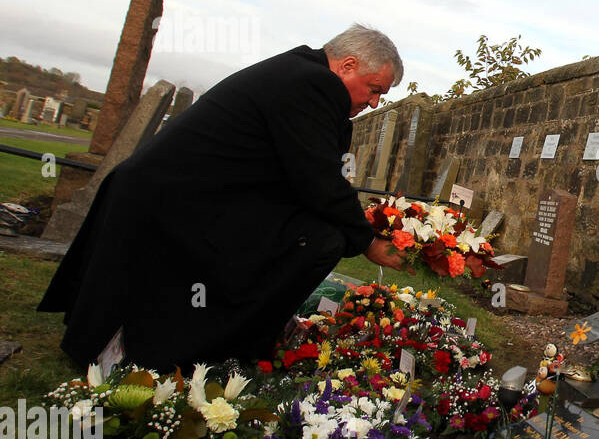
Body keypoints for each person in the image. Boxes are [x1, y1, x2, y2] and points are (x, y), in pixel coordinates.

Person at [39, 24, 407, 371]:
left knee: (315, 233)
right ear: (347, 65)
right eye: (374, 89)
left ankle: (234, 338)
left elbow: (306, 174)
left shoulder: (301, 73)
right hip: (175, 202)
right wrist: (367, 241)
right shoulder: (313, 84)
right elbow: (320, 181)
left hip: (182, 194)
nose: (374, 102)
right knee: (319, 241)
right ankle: (228, 344)